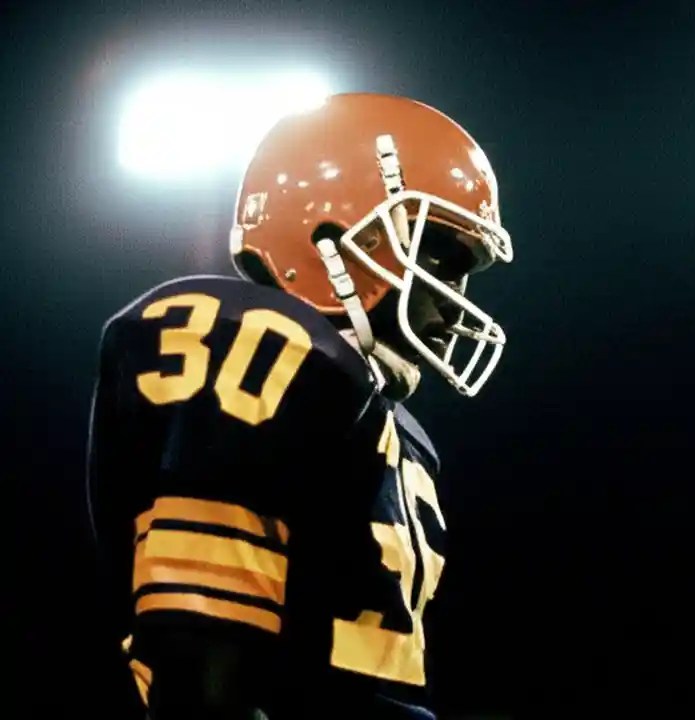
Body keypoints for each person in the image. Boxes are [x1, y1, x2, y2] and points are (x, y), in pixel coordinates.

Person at [86, 92, 514, 719]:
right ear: (328, 236)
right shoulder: (251, 348)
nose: (454, 299)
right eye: (439, 255)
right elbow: (200, 675)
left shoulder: (403, 435)